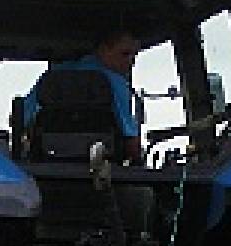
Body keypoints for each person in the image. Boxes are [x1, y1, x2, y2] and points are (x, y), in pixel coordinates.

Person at [26, 26, 144, 164]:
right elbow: (131, 140)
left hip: (48, 163)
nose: (131, 62)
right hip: (102, 166)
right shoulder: (115, 82)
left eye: (134, 56)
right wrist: (138, 162)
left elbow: (21, 119)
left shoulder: (52, 77)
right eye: (125, 54)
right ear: (103, 50)